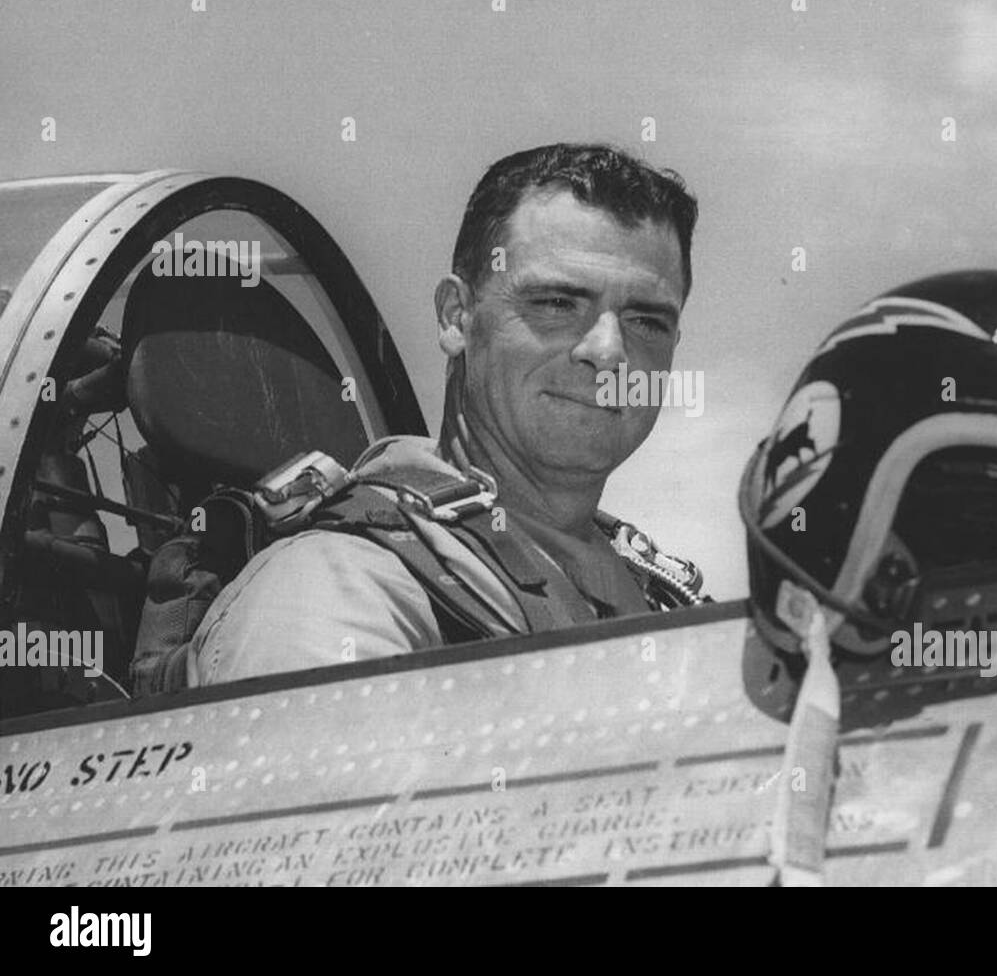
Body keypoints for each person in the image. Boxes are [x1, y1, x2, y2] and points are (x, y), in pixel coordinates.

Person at [184, 143, 706, 686]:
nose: (608, 351)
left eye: (646, 320)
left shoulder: (652, 599)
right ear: (457, 317)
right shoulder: (344, 590)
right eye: (557, 304)